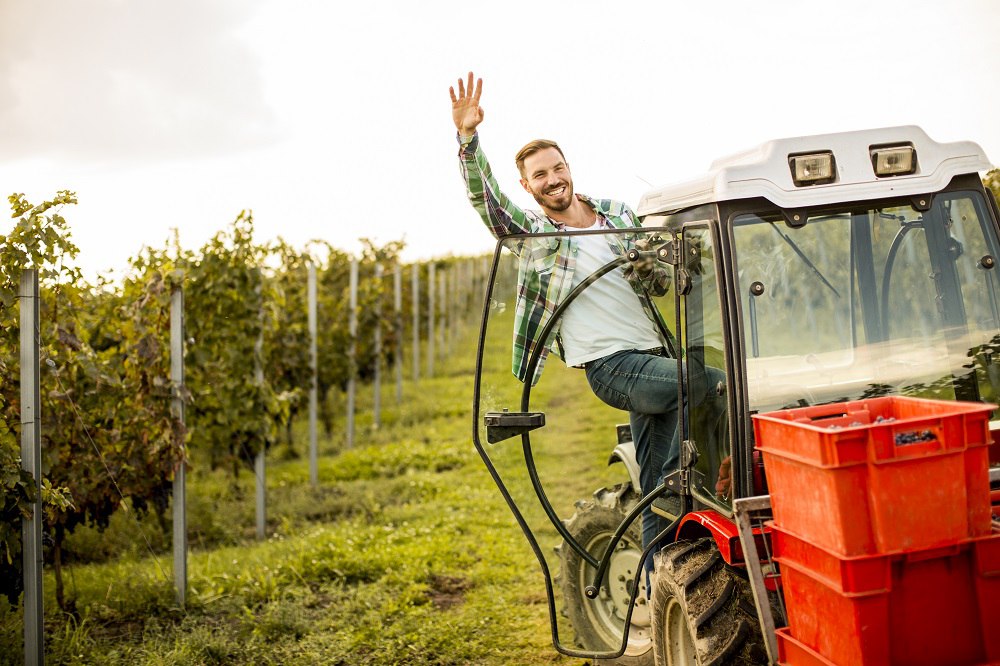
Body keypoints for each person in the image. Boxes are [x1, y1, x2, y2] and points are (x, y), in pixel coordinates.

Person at [451, 71, 695, 557]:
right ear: (527, 185)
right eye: (540, 175)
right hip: (611, 365)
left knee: (657, 488)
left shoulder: (618, 215)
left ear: (568, 167)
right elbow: (489, 206)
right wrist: (468, 140)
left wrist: (651, 265)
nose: (552, 180)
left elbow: (659, 286)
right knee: (708, 382)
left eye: (557, 168)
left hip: (652, 354)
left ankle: (656, 579)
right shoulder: (537, 237)